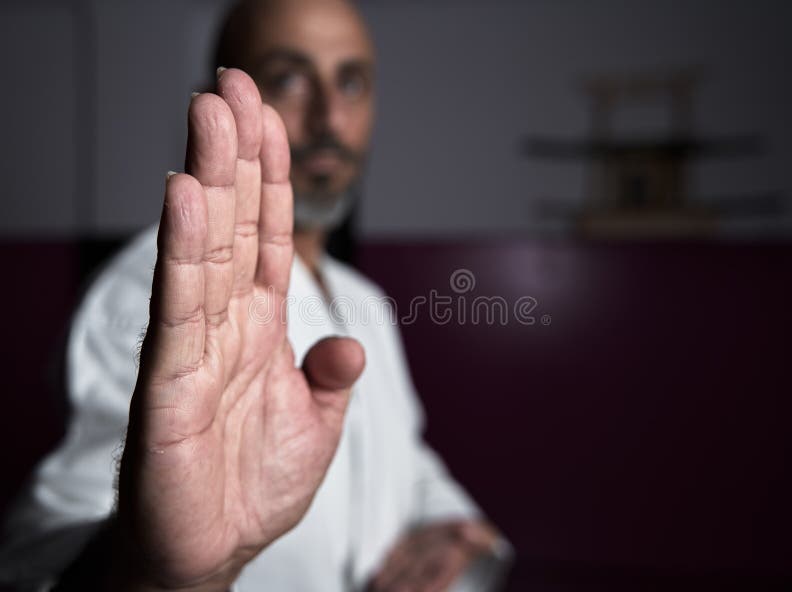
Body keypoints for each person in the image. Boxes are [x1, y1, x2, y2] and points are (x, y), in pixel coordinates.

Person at [0, 0, 511, 590]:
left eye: (351, 82)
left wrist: (457, 529)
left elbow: (406, 462)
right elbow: (34, 560)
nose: (329, 119)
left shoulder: (364, 301)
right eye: (289, 78)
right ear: (218, 104)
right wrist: (153, 571)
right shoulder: (154, 294)